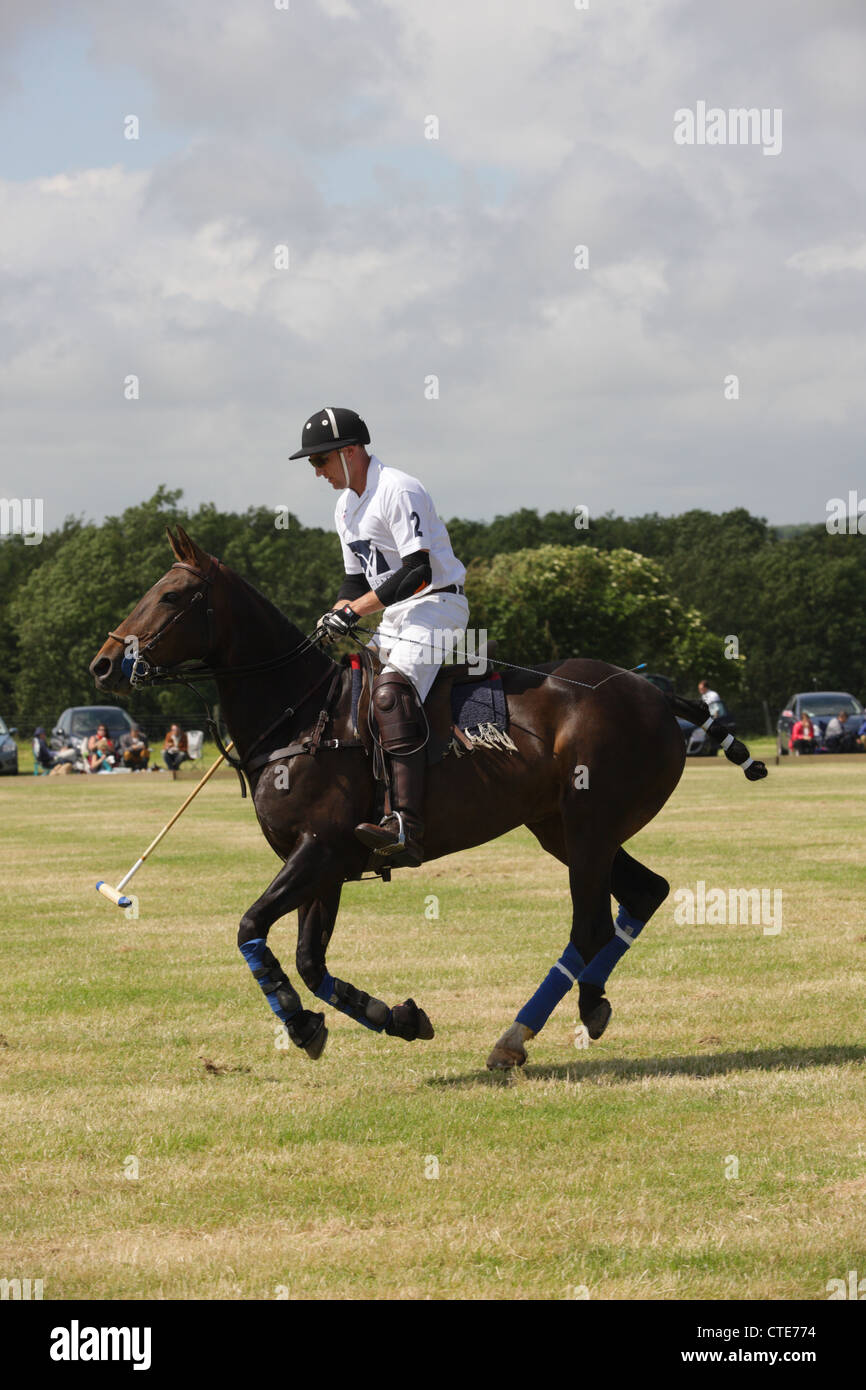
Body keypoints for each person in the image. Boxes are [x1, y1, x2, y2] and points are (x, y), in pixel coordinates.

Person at [290, 405, 468, 865]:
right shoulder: (344, 506)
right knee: (351, 691)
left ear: (350, 452)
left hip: (436, 605)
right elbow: (355, 582)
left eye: (320, 460)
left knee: (389, 694)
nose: (317, 471)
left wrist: (355, 611)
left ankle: (406, 824)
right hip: (395, 617)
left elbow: (417, 572)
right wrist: (335, 613)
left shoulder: (399, 488)